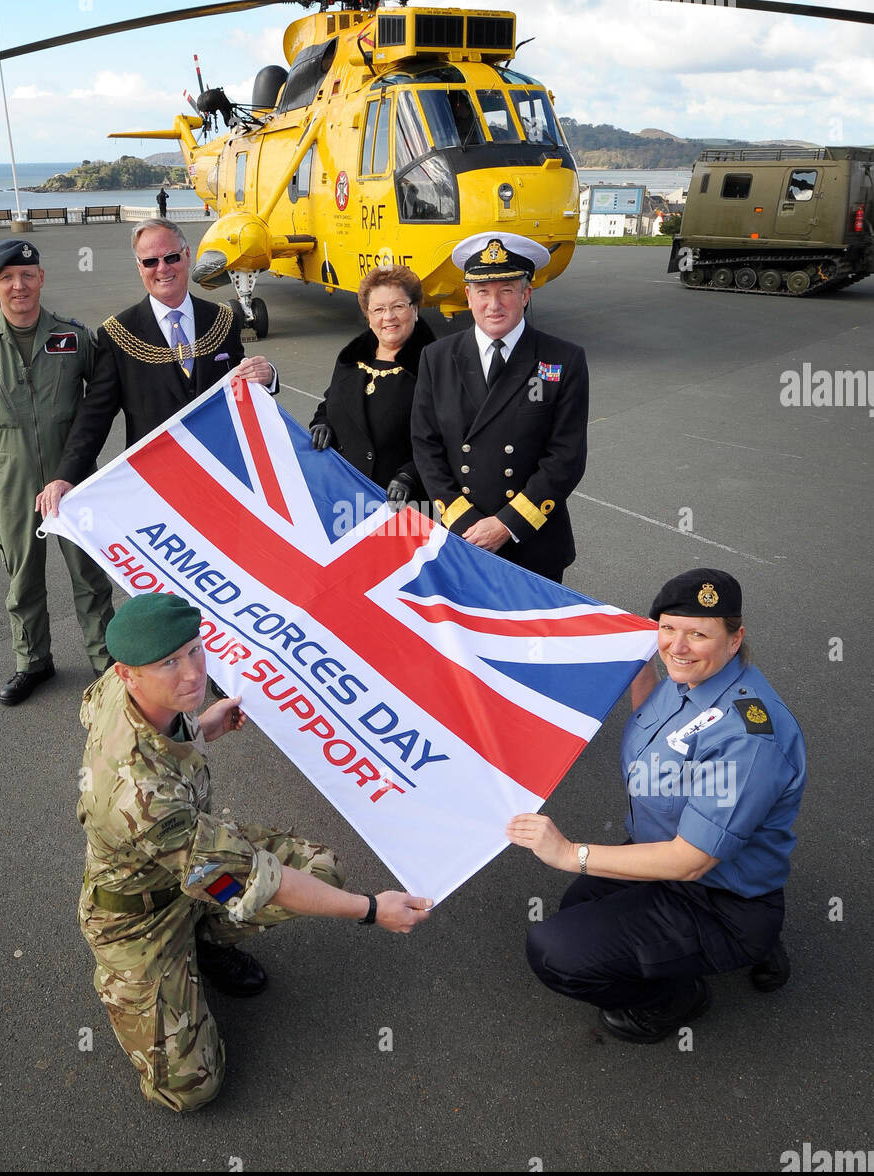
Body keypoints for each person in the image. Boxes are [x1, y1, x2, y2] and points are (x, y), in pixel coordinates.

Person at [79, 592, 432, 1111]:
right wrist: (372, 910)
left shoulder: (122, 689)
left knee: (322, 869)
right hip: (139, 919)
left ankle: (204, 940)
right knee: (191, 1088)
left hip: (194, 866)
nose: (192, 674)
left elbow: (142, 735)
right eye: (168, 664)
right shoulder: (137, 794)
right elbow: (254, 876)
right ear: (128, 673)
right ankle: (146, 976)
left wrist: (201, 729)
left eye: (194, 650)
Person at [509, 569, 806, 1044]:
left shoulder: (748, 737)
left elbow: (690, 861)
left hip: (718, 897)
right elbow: (661, 724)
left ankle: (679, 999)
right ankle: (726, 952)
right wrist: (638, 663)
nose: (678, 646)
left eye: (698, 633)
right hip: (665, 852)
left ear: (735, 639)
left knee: (553, 950)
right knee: (573, 909)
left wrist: (572, 854)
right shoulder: (683, 675)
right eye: (667, 628)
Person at [0, 238, 114, 704]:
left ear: (41, 278)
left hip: (73, 476)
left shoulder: (74, 338)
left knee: (89, 573)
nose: (19, 285)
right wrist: (3, 446)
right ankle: (33, 661)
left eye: (27, 275)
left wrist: (73, 454)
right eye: (8, 277)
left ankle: (106, 661)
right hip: (13, 482)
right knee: (22, 577)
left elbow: (100, 399)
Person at [36, 219, 278, 518]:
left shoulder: (223, 320)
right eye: (150, 261)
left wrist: (268, 377)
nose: (162, 269)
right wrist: (66, 475)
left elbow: (241, 389)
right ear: (140, 267)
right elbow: (95, 415)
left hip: (225, 478)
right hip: (154, 486)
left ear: (187, 256)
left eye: (171, 257)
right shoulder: (117, 333)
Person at [411, 231, 588, 582]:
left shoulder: (563, 359)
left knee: (533, 636)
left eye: (506, 290)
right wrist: (464, 521)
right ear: (468, 296)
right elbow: (425, 445)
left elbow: (565, 457)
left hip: (532, 541)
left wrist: (507, 524)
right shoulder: (436, 358)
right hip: (460, 536)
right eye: (483, 292)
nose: (494, 304)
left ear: (526, 294)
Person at [309, 264, 435, 507]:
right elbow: (330, 404)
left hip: (407, 505)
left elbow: (446, 438)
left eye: (398, 306)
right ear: (368, 317)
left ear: (415, 310)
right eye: (378, 309)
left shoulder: (435, 366)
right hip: (345, 498)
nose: (388, 317)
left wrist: (411, 476)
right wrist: (322, 423)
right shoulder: (349, 359)